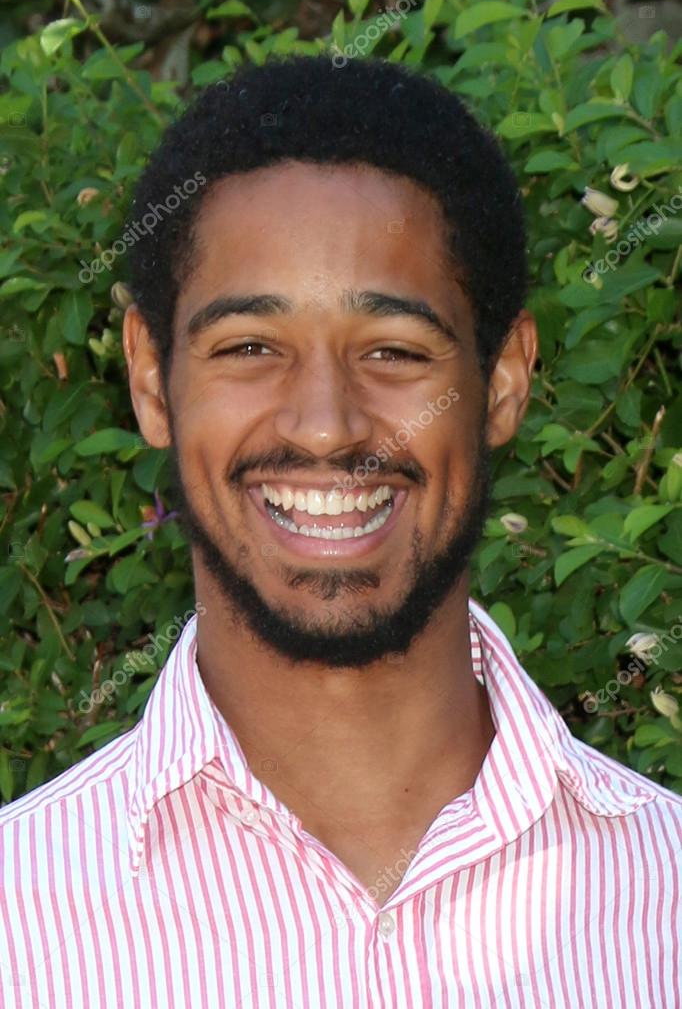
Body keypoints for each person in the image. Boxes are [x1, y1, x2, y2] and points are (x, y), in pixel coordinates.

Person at [1, 55, 680, 1008]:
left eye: (395, 351)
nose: (325, 425)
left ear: (504, 380)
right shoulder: (18, 925)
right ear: (152, 378)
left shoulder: (667, 902)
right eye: (249, 348)